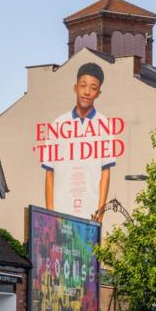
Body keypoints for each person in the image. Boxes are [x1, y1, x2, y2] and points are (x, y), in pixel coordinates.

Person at [42, 62, 115, 221]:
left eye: (93, 88)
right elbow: (49, 173)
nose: (87, 92)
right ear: (75, 87)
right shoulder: (58, 124)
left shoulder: (105, 125)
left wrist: (100, 213)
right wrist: (50, 213)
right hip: (60, 214)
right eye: (83, 85)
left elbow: (105, 173)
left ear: (98, 93)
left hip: (90, 215)